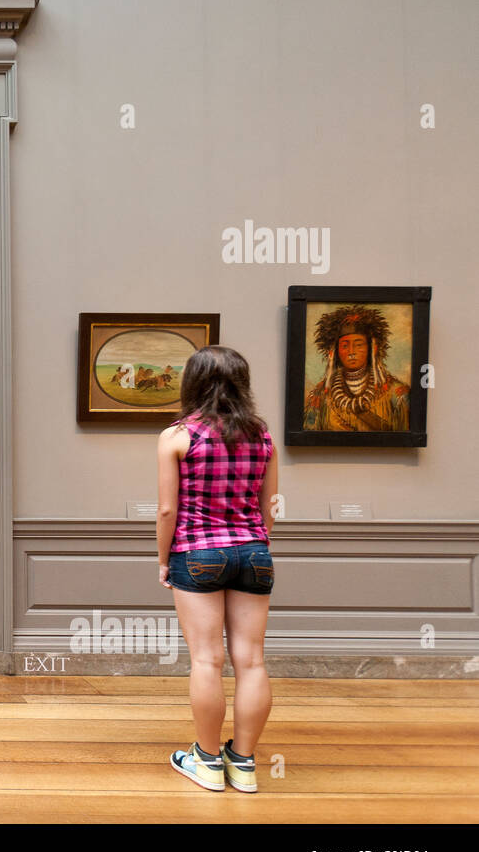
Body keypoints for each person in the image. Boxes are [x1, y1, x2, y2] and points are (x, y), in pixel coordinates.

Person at [156, 345, 278, 792]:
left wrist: (164, 559)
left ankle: (206, 761)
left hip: (198, 553)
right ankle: (243, 764)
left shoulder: (177, 436)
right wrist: (254, 540)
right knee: (252, 662)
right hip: (254, 554)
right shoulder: (262, 436)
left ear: (193, 382)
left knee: (207, 660)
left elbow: (168, 510)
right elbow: (269, 509)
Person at [303, 305, 409, 432]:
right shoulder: (320, 396)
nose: (351, 352)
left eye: (359, 345)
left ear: (372, 349)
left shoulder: (396, 394)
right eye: (345, 346)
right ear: (334, 352)